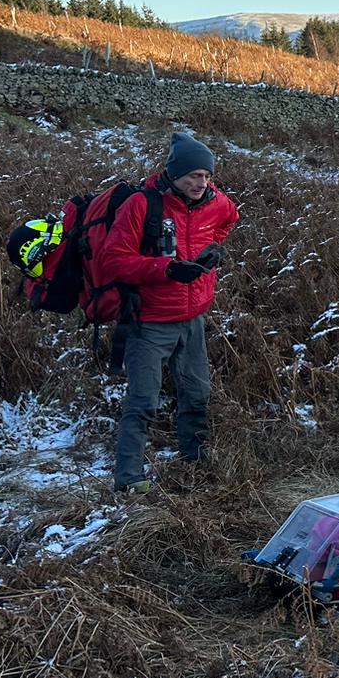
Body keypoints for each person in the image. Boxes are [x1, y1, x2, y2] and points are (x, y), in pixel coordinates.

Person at [105, 132, 240, 496]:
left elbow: (228, 220)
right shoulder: (141, 205)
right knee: (143, 401)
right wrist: (166, 270)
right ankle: (129, 479)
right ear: (173, 173)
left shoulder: (217, 203)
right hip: (149, 321)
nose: (201, 183)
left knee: (197, 395)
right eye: (193, 175)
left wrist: (213, 249)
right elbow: (114, 261)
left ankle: (194, 462)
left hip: (192, 319)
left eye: (207, 176)